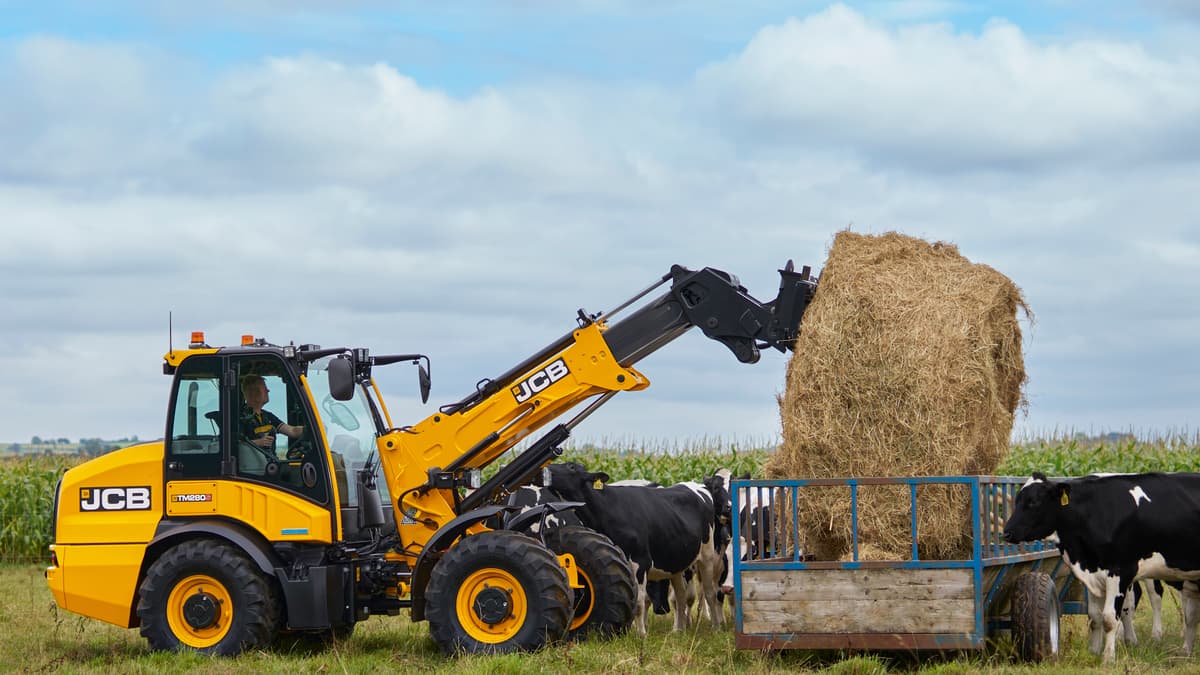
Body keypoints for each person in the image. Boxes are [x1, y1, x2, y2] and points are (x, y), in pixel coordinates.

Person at [239, 374, 304, 460]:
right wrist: (257, 443)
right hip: (251, 469)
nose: (268, 391)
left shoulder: (268, 417)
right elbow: (233, 446)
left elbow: (292, 431)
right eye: (265, 388)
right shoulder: (239, 418)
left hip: (271, 465)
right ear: (253, 392)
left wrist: (312, 429)